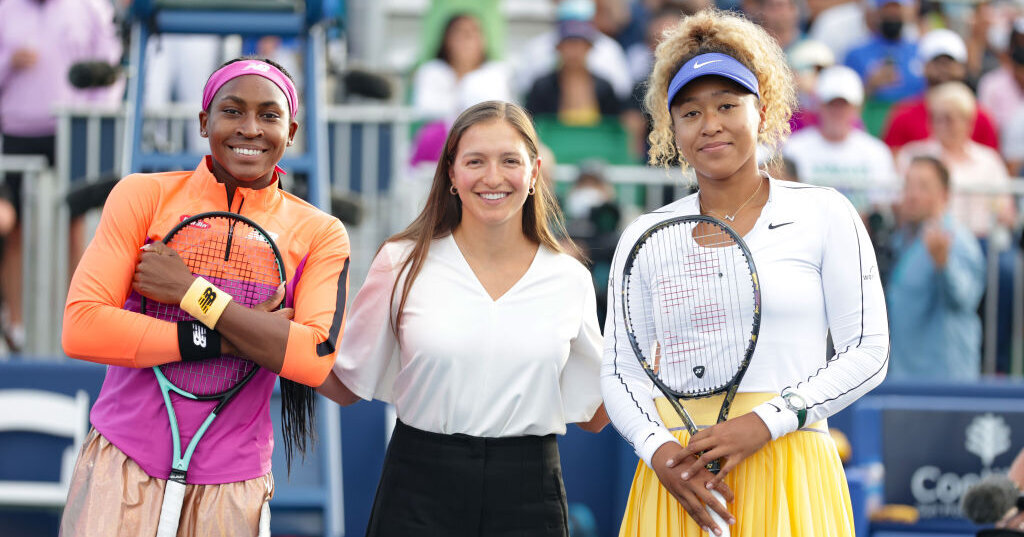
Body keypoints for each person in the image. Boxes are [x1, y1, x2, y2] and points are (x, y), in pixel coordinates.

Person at [601, 9, 889, 536]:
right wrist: (659, 452)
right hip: (680, 478)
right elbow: (620, 371)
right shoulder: (645, 234)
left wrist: (766, 422)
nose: (709, 125)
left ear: (763, 111)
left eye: (727, 105)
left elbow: (868, 353)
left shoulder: (825, 212)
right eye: (689, 113)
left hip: (790, 463)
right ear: (672, 128)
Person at [59, 57, 352, 536]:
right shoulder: (141, 196)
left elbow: (313, 358)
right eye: (232, 111)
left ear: (292, 130)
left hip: (234, 485)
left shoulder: (321, 233)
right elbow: (83, 328)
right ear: (204, 122)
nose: (250, 129)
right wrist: (234, 336)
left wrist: (193, 293)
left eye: (270, 115)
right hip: (122, 462)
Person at [321, 100, 608, 537]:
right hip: (417, 490)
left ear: (534, 173)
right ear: (451, 174)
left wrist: (651, 366)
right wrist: (264, 333)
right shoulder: (400, 263)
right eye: (475, 161)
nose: (493, 177)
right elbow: (344, 385)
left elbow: (594, 414)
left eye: (510, 160)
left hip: (531, 496)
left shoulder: (569, 276)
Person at [0, 0, 122, 352]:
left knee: (77, 225)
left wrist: (92, 116)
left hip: (75, 129)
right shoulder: (6, 8)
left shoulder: (91, 8)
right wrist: (9, 63)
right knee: (14, 228)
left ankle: (81, 317)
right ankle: (17, 327)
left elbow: (110, 71)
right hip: (18, 129)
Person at [885, 156, 984, 381]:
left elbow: (965, 299)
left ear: (945, 195)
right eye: (908, 185)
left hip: (945, 380)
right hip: (904, 376)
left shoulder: (958, 241)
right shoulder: (902, 239)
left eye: (923, 187)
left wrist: (944, 265)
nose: (912, 194)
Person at [783, 65, 899, 214]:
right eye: (831, 104)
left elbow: (882, 207)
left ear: (858, 108)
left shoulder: (876, 152)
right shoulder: (794, 149)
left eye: (844, 105)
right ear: (819, 105)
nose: (837, 112)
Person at [882, 28, 1000, 153]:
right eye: (937, 62)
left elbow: (990, 160)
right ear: (924, 67)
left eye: (949, 62)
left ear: (962, 68)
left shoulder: (981, 117)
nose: (943, 69)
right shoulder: (903, 116)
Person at [525, 19, 624, 126]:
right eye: (569, 44)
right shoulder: (542, 87)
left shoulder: (604, 88)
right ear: (559, 48)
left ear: (589, 48)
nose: (574, 51)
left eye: (580, 44)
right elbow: (532, 124)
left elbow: (613, 126)